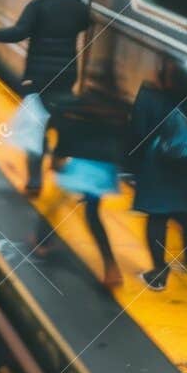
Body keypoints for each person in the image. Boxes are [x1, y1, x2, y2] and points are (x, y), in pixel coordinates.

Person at [0, 0, 91, 195]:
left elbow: (17, 33)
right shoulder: (78, 7)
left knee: (35, 126)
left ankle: (34, 181)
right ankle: (59, 158)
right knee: (60, 117)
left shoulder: (37, 7)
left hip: (38, 76)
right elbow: (84, 24)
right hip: (67, 72)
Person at [126, 54, 187, 291]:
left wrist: (132, 168)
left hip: (158, 166)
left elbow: (138, 131)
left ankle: (158, 273)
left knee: (158, 217)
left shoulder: (151, 94)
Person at [48, 92, 123, 289]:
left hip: (83, 164)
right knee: (90, 210)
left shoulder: (78, 104)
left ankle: (42, 240)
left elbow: (68, 130)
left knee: (63, 197)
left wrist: (58, 155)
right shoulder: (116, 104)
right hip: (104, 165)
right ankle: (111, 266)